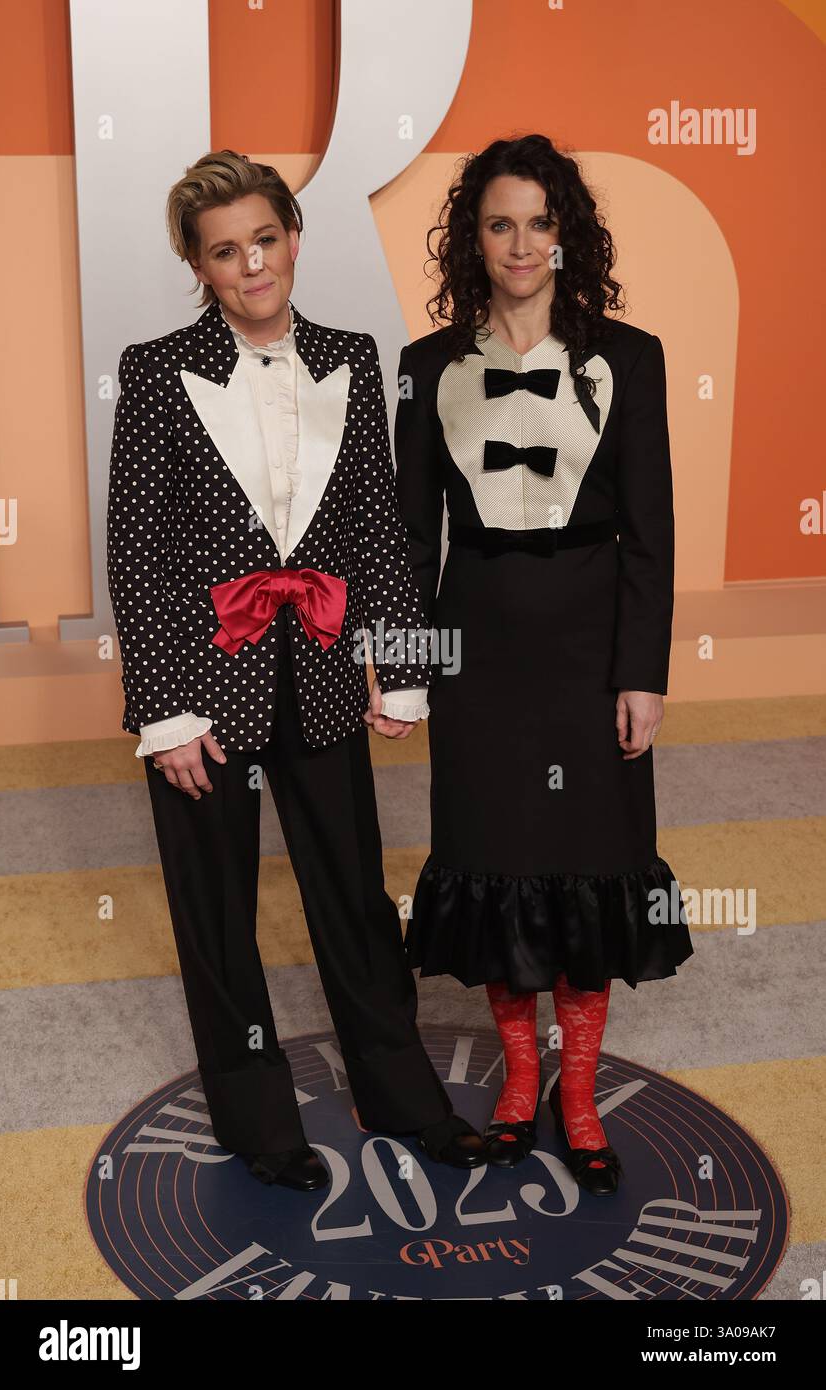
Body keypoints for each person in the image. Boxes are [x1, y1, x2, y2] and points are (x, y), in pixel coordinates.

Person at [106, 149, 486, 1191]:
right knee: (217, 909)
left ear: (294, 239)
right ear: (200, 265)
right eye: (225, 252)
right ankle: (257, 1119)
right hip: (204, 685)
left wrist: (400, 667)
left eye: (265, 240)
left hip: (321, 672)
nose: (252, 265)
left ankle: (406, 1097)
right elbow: (136, 552)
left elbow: (379, 525)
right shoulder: (153, 369)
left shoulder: (356, 358)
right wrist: (167, 712)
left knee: (355, 900)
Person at [393, 134, 694, 1195]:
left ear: (568, 233)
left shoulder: (636, 355)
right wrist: (404, 668)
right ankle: (521, 1083)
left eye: (539, 221)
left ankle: (579, 1093)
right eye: (499, 222)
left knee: (591, 861)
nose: (521, 242)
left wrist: (643, 672)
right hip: (476, 645)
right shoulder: (426, 366)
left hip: (589, 642)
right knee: (494, 857)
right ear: (473, 239)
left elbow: (651, 531)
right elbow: (403, 534)